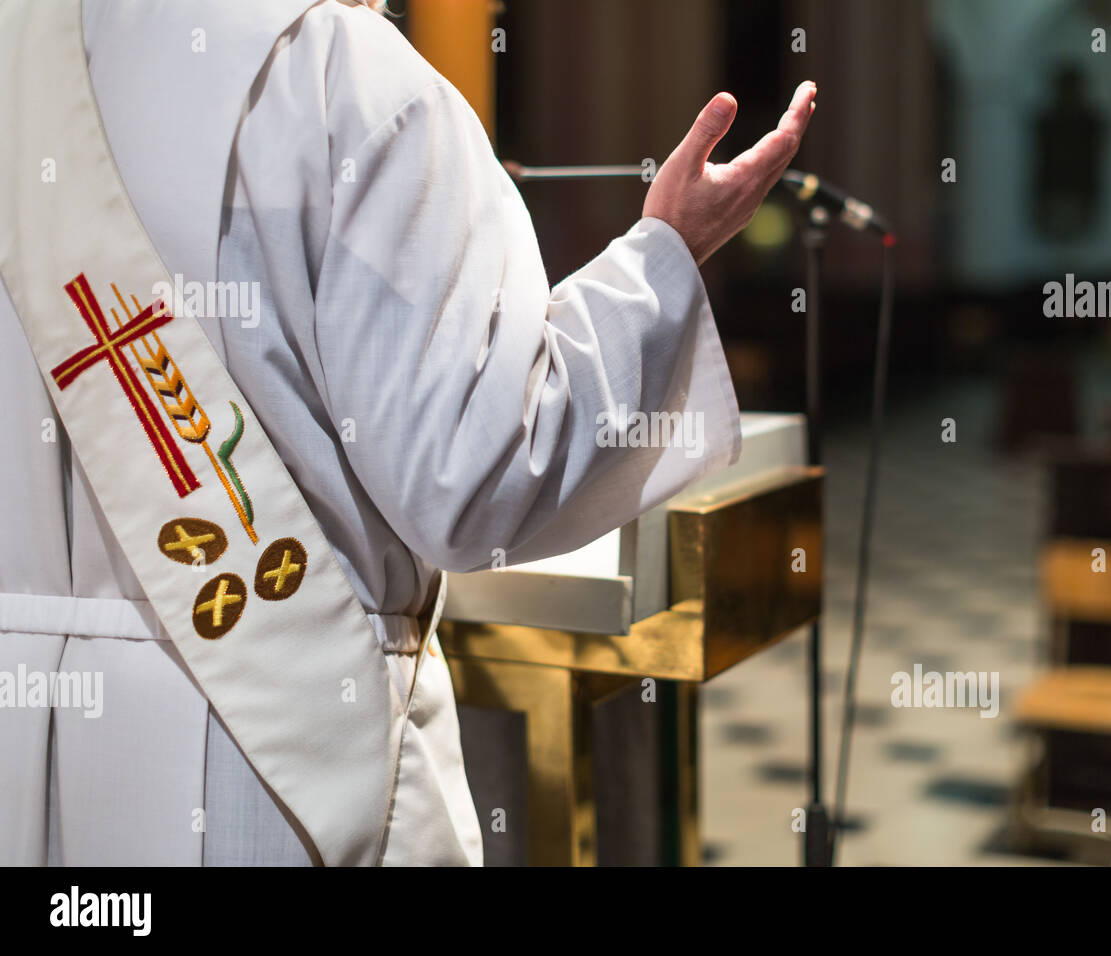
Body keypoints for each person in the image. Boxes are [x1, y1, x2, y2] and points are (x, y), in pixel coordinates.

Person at [0, 0, 816, 865]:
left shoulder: (27, 57)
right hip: (262, 757)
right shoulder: (344, 80)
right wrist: (664, 259)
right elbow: (475, 477)